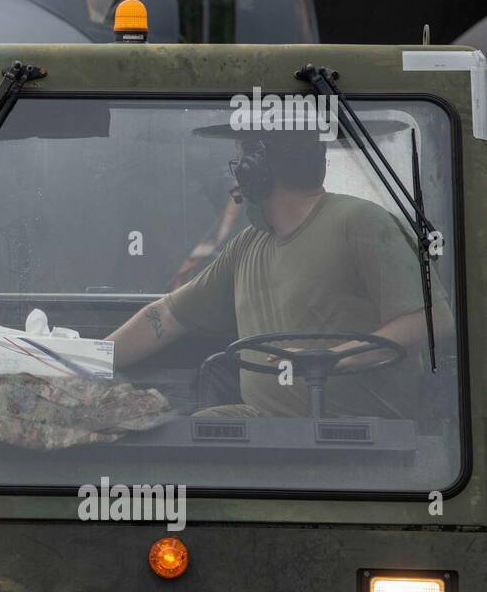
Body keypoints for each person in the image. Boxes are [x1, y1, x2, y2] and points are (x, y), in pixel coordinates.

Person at [107, 133, 445, 419]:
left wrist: (335, 358)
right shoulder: (248, 245)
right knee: (172, 439)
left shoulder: (361, 223)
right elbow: (167, 316)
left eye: (240, 163)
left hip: (356, 438)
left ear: (255, 172)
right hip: (267, 430)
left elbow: (433, 319)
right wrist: (73, 363)